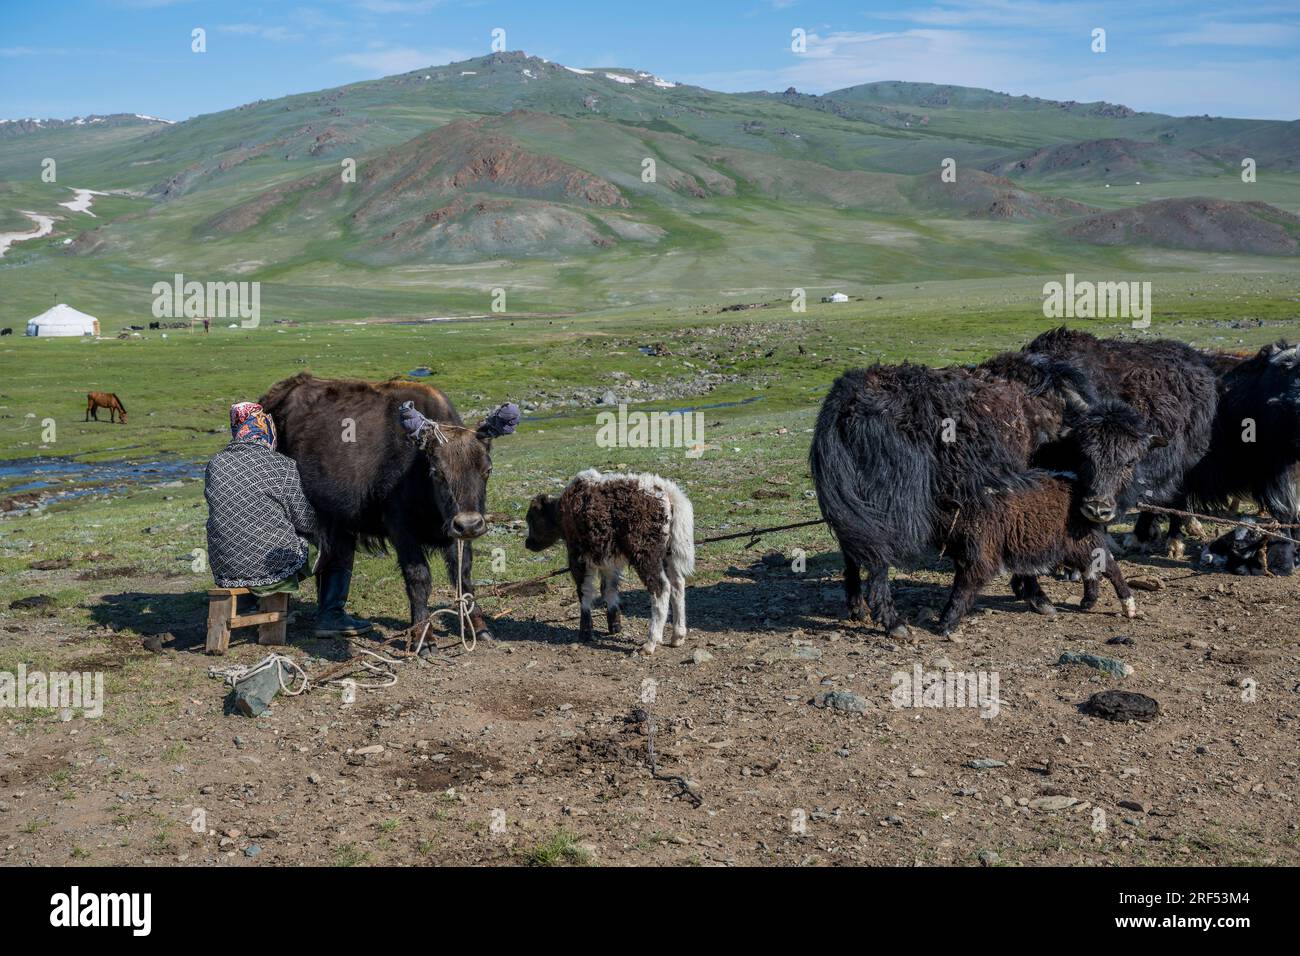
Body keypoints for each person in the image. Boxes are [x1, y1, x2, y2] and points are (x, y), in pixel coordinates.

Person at [204, 402, 320, 605]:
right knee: (330, 540)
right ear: (265, 426)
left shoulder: (215, 463)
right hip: (269, 569)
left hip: (225, 568)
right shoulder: (281, 464)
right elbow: (305, 521)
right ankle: (331, 614)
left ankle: (249, 601)